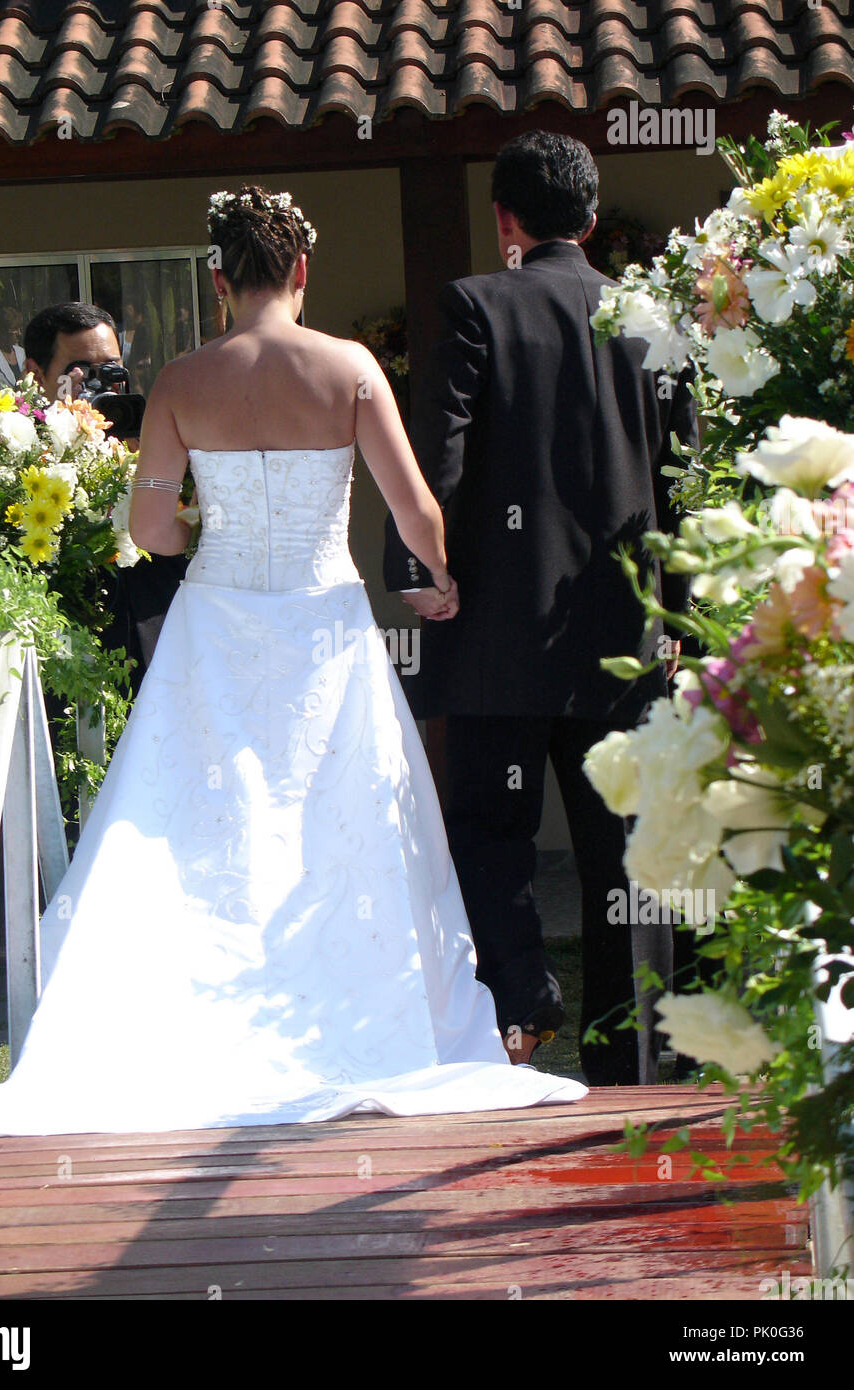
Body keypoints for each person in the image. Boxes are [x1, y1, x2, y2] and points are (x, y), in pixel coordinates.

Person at [0, 185, 586, 1138]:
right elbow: (414, 513)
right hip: (326, 623)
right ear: (303, 272)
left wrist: (214, 535)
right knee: (337, 819)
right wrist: (437, 582)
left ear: (217, 278)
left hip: (216, 622)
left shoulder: (185, 383)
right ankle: (348, 1011)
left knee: (200, 826)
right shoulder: (351, 368)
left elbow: (151, 530)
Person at [384, 132, 697, 1086]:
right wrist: (681, 616)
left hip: (495, 636)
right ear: (591, 220)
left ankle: (521, 1004)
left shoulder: (475, 305)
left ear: (503, 220)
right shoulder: (657, 323)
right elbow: (686, 481)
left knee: (489, 833)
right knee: (627, 856)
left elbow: (436, 453)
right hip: (627, 637)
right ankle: (632, 1052)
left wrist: (419, 570)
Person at [23, 301, 188, 688]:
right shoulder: (17, 451)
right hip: (67, 654)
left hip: (158, 640)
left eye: (111, 371)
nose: (99, 386)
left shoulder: (148, 434)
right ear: (35, 375)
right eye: (80, 372)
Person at [0, 305, 26, 388]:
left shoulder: (22, 353)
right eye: (15, 329)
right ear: (3, 331)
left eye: (20, 329)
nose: (19, 333)